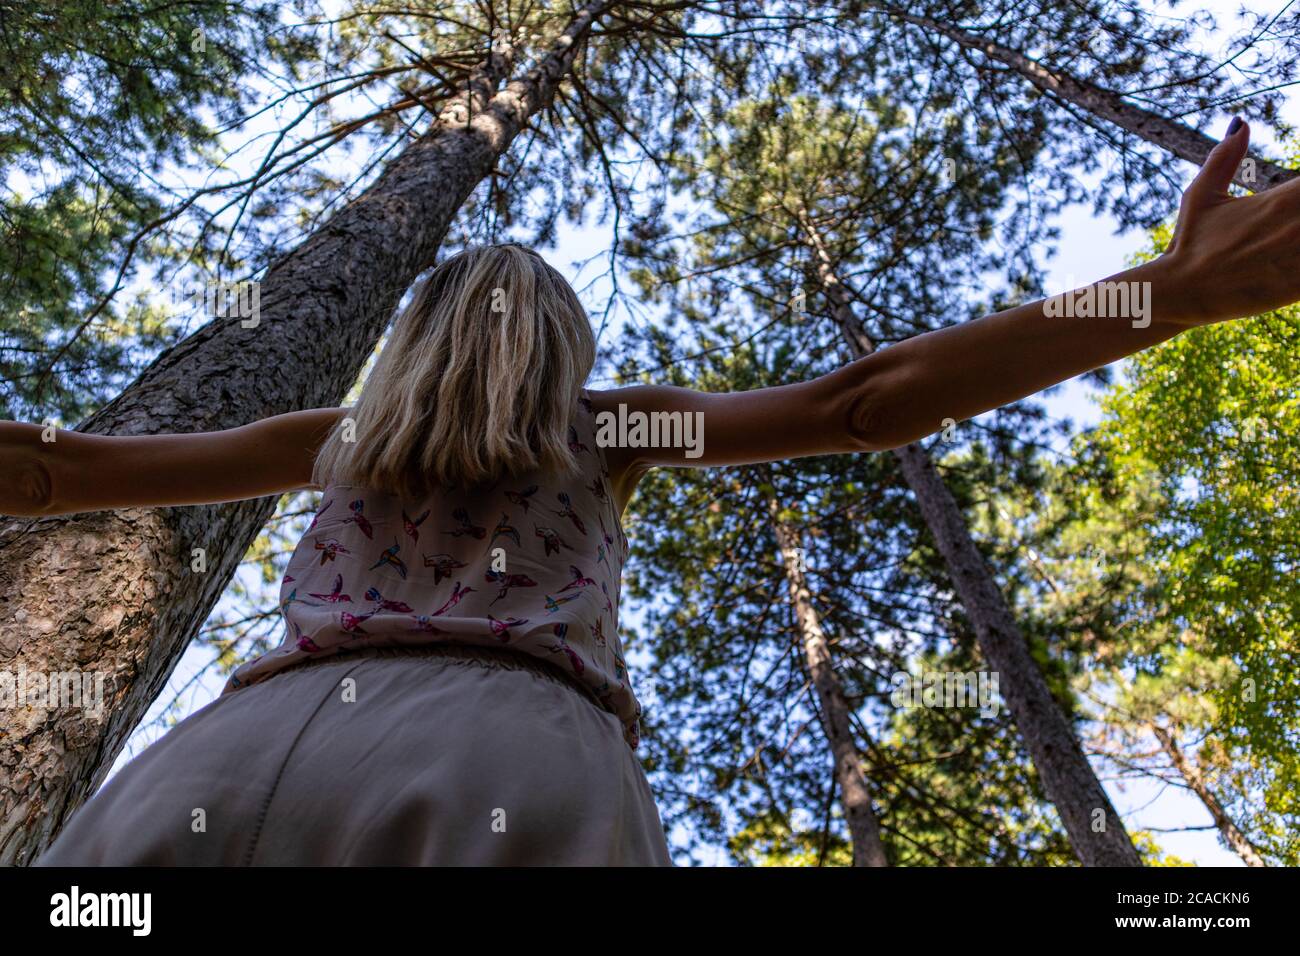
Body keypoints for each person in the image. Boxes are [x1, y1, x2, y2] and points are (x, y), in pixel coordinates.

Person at [8, 117, 1296, 865]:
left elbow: (64, 471)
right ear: (562, 342)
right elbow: (861, 403)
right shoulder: (610, 425)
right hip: (508, 749)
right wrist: (1162, 295)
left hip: (223, 760)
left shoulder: (333, 434)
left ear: (414, 336)